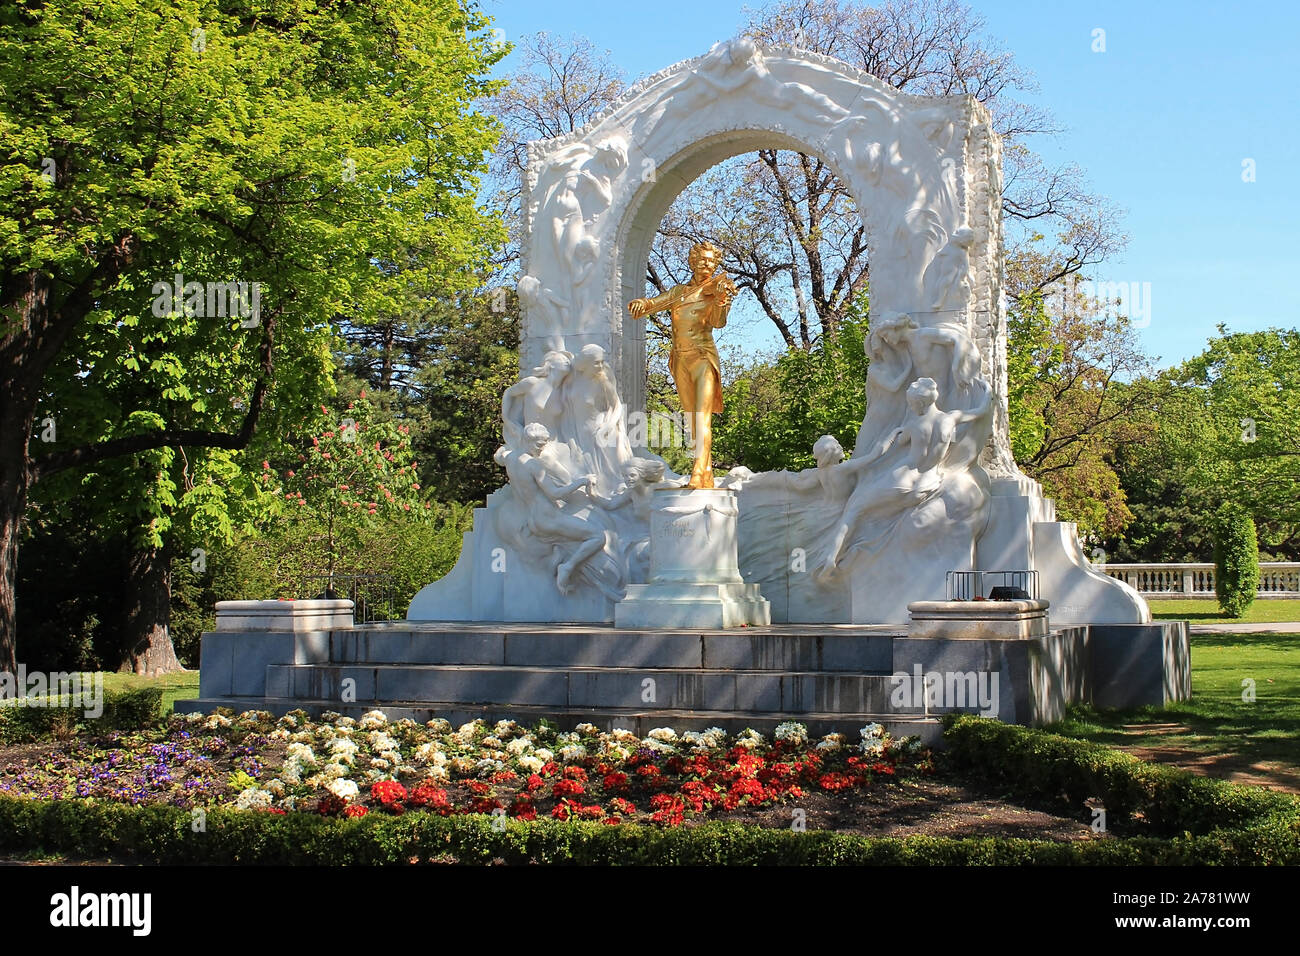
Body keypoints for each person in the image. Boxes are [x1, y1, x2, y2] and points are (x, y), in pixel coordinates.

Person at [820, 376, 991, 579]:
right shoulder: (950, 418)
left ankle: (831, 558)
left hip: (904, 478)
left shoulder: (914, 424)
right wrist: (987, 390)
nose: (911, 408)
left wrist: (892, 434)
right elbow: (980, 410)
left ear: (919, 402)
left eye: (911, 404)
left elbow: (896, 442)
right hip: (930, 480)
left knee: (855, 507)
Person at [627, 241, 737, 489]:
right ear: (693, 262)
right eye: (703, 260)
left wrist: (721, 300)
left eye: (712, 261)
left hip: (702, 357)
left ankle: (698, 472)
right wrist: (641, 304)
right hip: (680, 359)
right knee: (692, 419)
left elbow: (718, 323)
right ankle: (705, 474)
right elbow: (655, 303)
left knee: (702, 417)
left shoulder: (718, 290)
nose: (707, 264)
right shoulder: (679, 293)